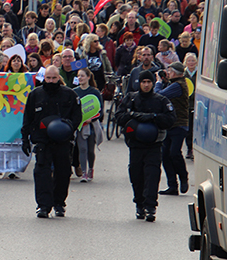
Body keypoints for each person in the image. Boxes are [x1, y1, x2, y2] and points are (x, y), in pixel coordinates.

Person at [20, 65, 81, 218]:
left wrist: (69, 127)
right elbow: (28, 118)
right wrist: (25, 139)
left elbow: (77, 116)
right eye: (48, 78)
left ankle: (59, 203)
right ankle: (43, 206)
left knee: (63, 173)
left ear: (59, 78)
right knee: (42, 173)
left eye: (54, 78)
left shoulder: (69, 95)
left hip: (62, 141)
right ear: (44, 78)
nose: (51, 81)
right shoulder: (36, 95)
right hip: (42, 140)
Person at [115, 70, 176, 222]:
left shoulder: (161, 100)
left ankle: (150, 207)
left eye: (149, 82)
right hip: (135, 144)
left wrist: (154, 117)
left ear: (153, 83)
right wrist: (132, 116)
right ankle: (139, 204)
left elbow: (170, 119)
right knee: (136, 175)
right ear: (139, 83)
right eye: (144, 82)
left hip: (154, 145)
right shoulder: (131, 98)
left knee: (152, 175)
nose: (146, 85)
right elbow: (119, 116)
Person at [156, 62, 190, 196]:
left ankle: (183, 177)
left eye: (169, 71)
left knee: (174, 153)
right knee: (165, 155)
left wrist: (159, 82)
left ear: (174, 72)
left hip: (179, 124)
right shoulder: (173, 83)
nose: (167, 73)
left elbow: (159, 95)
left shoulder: (178, 85)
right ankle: (172, 185)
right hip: (169, 124)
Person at [73, 68, 104, 182]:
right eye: (78, 76)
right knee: (82, 149)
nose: (80, 78)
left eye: (82, 76)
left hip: (92, 125)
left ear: (88, 77)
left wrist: (92, 119)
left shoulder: (94, 92)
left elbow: (100, 110)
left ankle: (91, 168)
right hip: (81, 125)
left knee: (90, 150)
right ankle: (84, 172)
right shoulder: (75, 91)